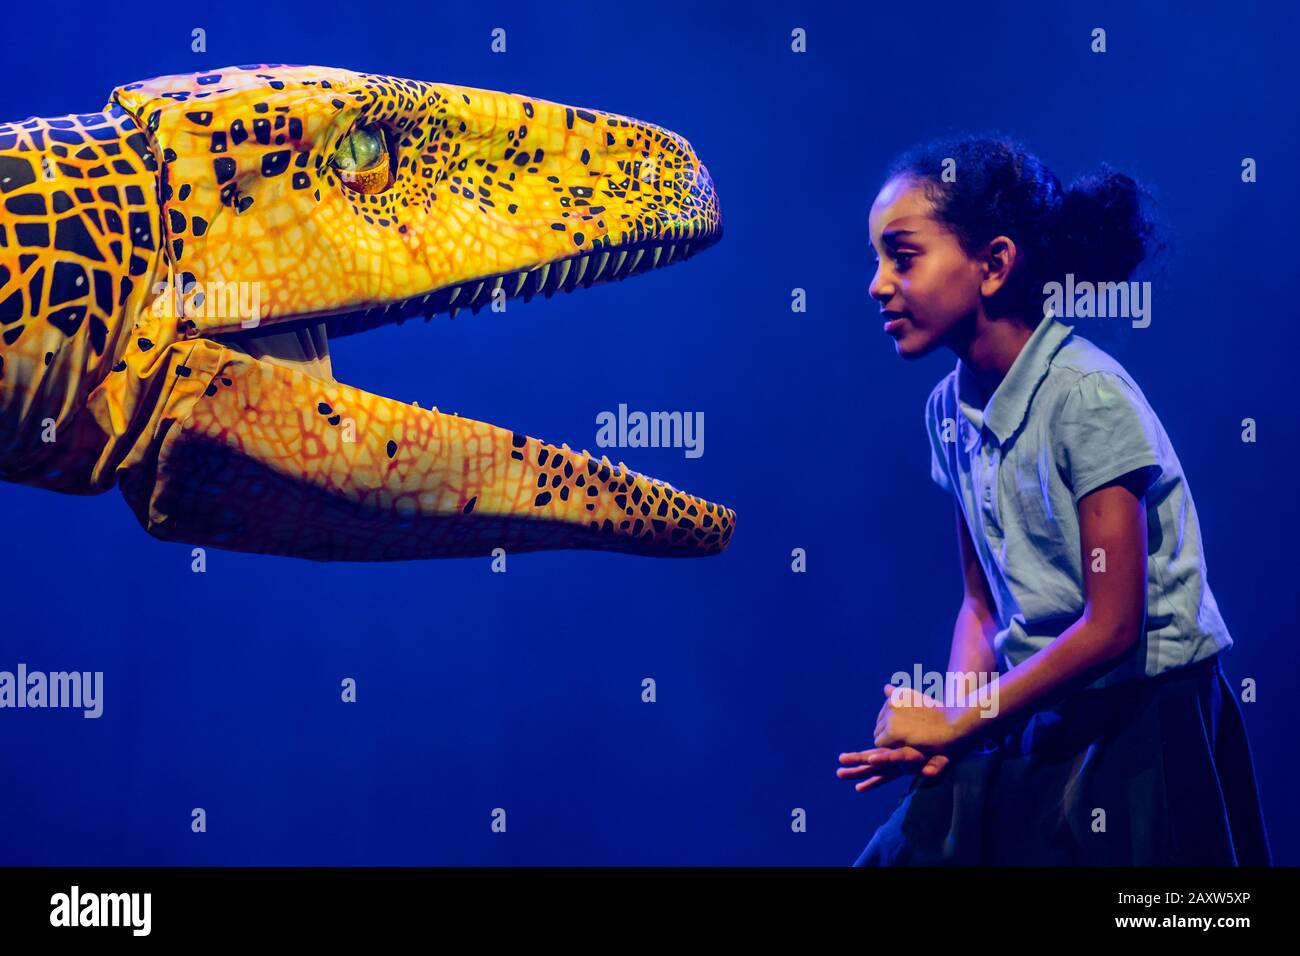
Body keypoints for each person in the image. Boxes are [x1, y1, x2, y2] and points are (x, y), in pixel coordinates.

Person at [837, 135, 1272, 866]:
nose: (877, 283)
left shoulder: (1086, 396)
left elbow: (1113, 625)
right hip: (1033, 707)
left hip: (1142, 721)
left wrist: (963, 720)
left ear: (995, 264)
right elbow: (980, 605)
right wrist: (948, 728)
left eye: (901, 256)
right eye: (877, 260)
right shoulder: (947, 411)